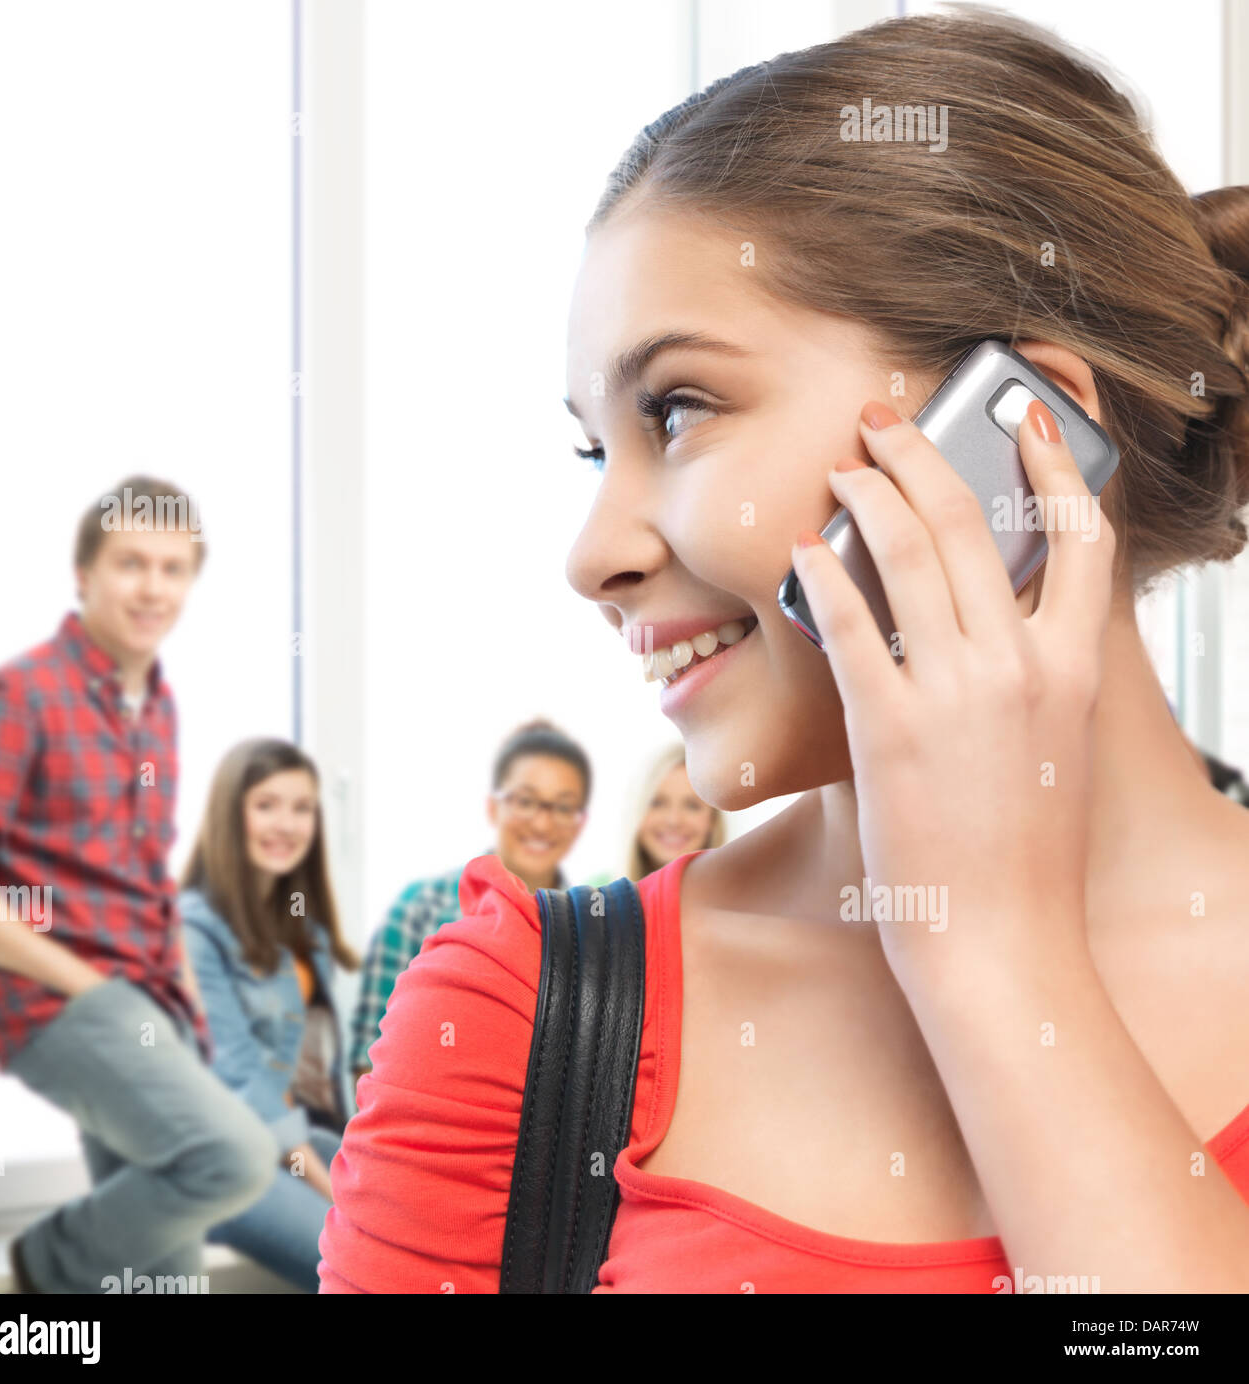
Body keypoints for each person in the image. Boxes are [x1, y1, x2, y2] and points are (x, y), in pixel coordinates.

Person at [320, 11, 1249, 1293]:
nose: (590, 554)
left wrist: (993, 954)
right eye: (596, 449)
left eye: (679, 411)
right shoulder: (508, 1025)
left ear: (1024, 442)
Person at [0, 476, 278, 1293]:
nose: (153, 587)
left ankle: (72, 1289)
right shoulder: (18, 696)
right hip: (62, 1000)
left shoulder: (157, 708)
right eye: (131, 563)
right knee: (233, 1158)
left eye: (173, 568)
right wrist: (91, 987)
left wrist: (185, 999)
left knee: (165, 1278)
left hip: (151, 1000)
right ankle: (47, 1261)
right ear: (84, 573)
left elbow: (145, 877)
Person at [179, 738, 358, 1293]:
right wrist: (332, 1190)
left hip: (278, 1141)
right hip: (211, 1161)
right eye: (267, 804)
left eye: (302, 807)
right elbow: (240, 1079)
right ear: (231, 813)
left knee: (362, 1171)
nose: (287, 823)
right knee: (360, 1262)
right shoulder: (193, 929)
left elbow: (312, 1077)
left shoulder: (304, 931)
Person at [347, 717, 589, 1084]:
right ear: (493, 807)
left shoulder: (590, 931)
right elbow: (369, 1060)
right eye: (525, 801)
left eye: (562, 807)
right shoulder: (419, 908)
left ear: (579, 823)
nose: (542, 824)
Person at [583, 745, 725, 886]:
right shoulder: (596, 896)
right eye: (657, 803)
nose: (674, 820)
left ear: (713, 819)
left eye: (692, 806)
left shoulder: (738, 900)